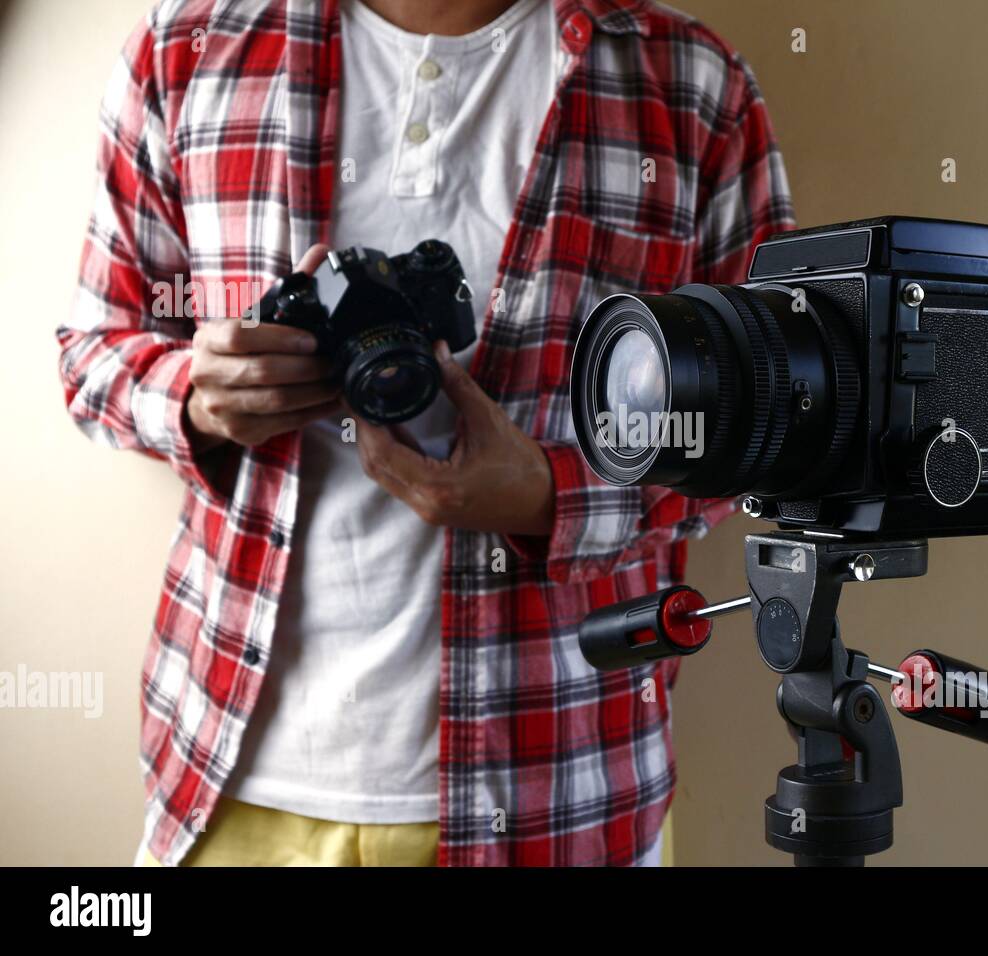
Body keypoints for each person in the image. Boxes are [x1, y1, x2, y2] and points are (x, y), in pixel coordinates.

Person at [57, 0, 793, 866]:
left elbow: (773, 416)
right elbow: (94, 351)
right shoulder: (190, 48)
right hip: (228, 775)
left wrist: (553, 495)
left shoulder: (692, 89)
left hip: (564, 791)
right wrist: (198, 396)